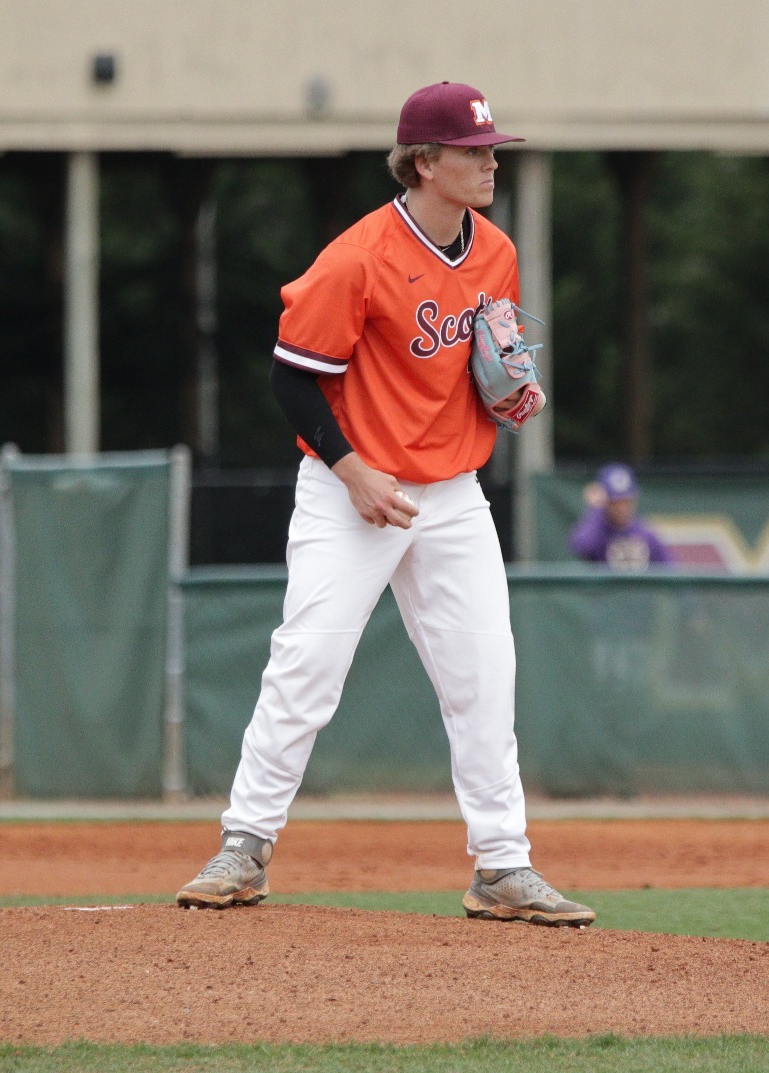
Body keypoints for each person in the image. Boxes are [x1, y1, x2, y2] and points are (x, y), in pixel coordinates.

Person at [176, 82, 594, 927]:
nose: (489, 163)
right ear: (425, 162)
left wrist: (513, 394)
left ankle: (502, 867)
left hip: (451, 495)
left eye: (490, 150)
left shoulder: (497, 253)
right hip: (349, 491)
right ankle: (245, 845)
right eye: (473, 152)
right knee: (307, 664)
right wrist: (353, 469)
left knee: (485, 676)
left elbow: (490, 357)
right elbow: (291, 378)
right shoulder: (357, 256)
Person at [571, 462, 671, 571]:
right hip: (608, 588)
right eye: (615, 502)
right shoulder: (598, 531)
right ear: (605, 501)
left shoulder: (644, 532)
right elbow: (583, 546)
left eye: (626, 501)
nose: (622, 508)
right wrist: (595, 509)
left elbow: (670, 569)